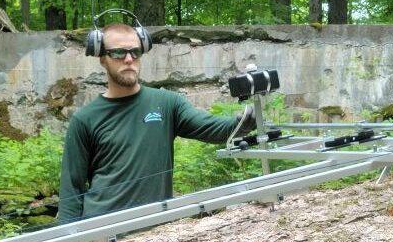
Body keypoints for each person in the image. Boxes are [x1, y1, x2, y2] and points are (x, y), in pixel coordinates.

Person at [57, 15, 252, 223]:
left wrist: (246, 121)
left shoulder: (167, 104)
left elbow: (211, 128)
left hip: (156, 233)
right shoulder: (85, 119)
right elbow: (72, 190)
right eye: (118, 53)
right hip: (103, 236)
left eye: (135, 51)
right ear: (102, 58)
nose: (129, 59)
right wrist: (69, 241)